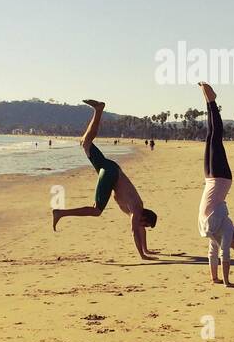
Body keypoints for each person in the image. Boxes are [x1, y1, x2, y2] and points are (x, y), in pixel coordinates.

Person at [51, 99, 158, 259]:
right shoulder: (136, 209)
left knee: (85, 143)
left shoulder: (135, 211)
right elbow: (135, 230)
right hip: (110, 173)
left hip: (111, 170)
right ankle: (60, 213)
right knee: (96, 210)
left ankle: (98, 110)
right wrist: (142, 255)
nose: (143, 227)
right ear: (144, 217)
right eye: (145, 224)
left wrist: (146, 249)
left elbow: (139, 229)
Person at [197, 82, 234, 287]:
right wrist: (228, 283)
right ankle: (212, 102)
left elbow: (213, 253)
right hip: (221, 179)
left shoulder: (216, 234)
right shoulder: (227, 229)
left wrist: (214, 278)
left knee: (210, 137)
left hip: (211, 179)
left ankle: (209, 102)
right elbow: (225, 255)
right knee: (216, 138)